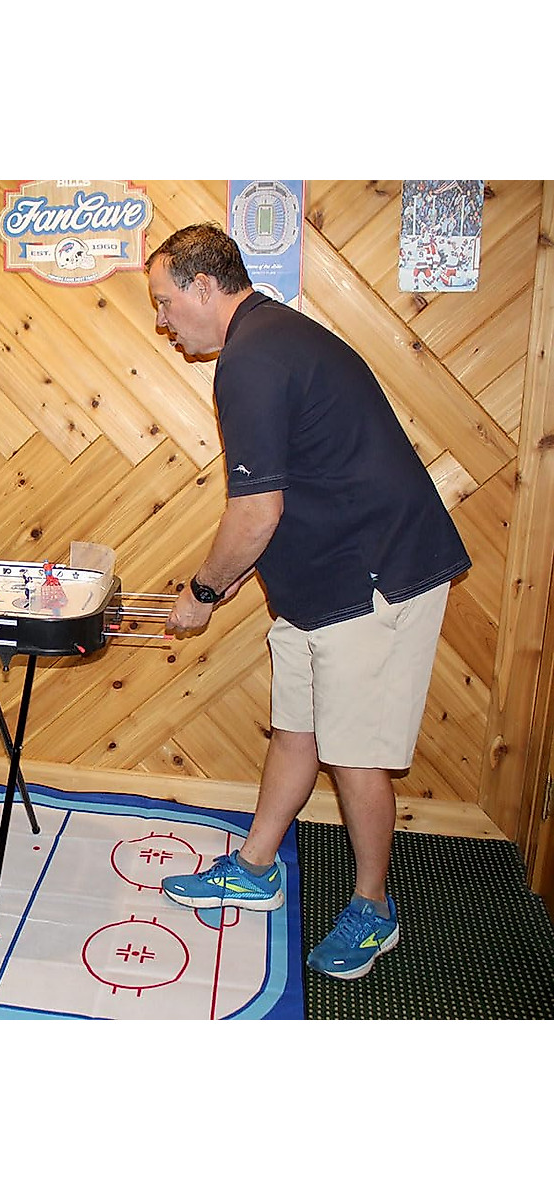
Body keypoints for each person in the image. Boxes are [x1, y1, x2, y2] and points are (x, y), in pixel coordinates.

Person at [146, 223, 471, 980]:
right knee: (297, 728)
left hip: (374, 579)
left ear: (202, 285)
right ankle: (257, 867)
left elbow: (256, 513)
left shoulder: (253, 358)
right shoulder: (269, 341)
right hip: (319, 585)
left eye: (164, 302)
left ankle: (374, 909)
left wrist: (200, 593)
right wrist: (224, 583)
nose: (163, 322)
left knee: (354, 754)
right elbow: (279, 500)